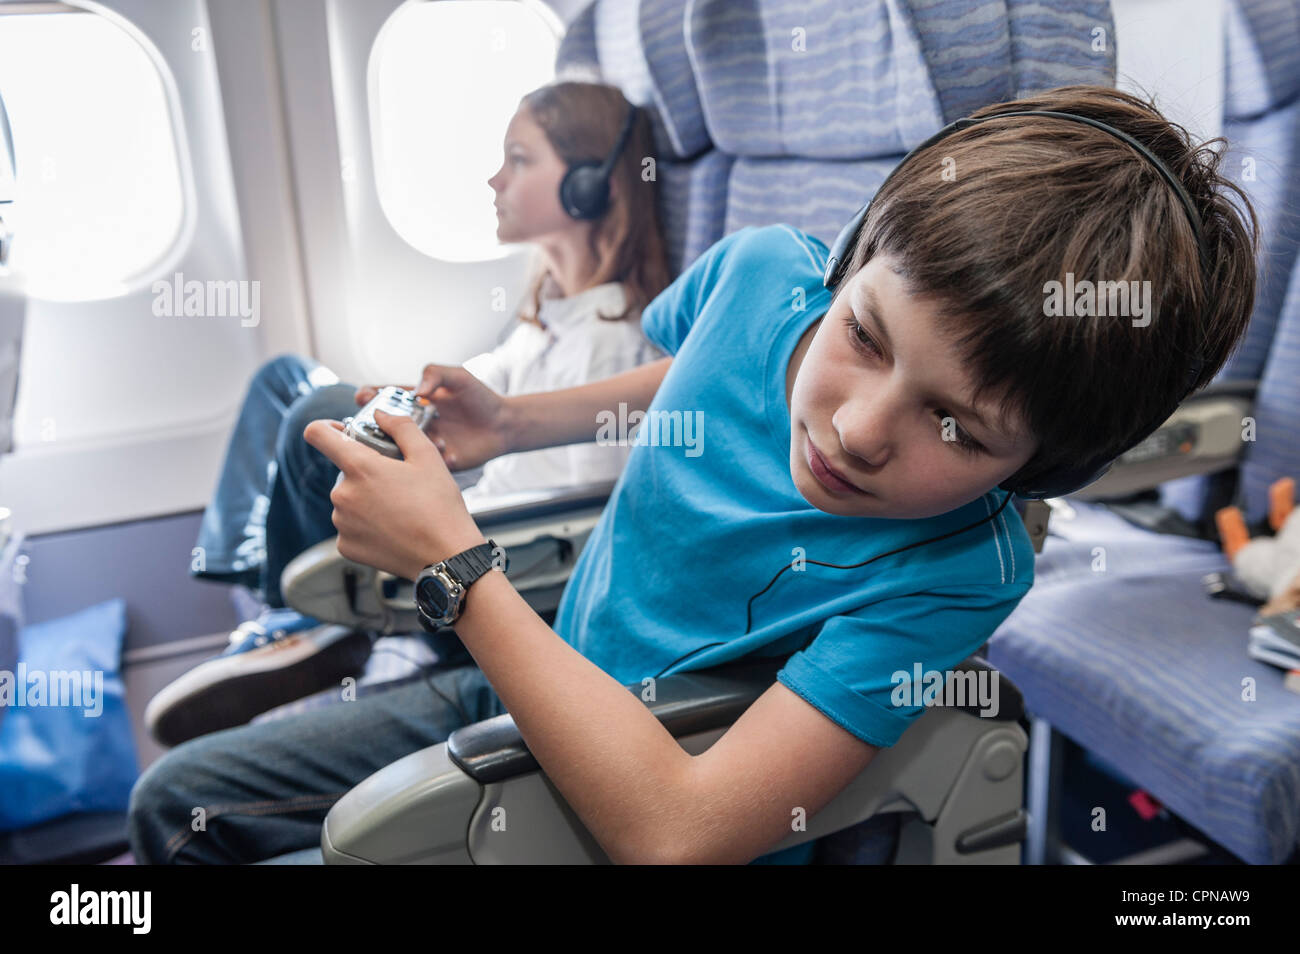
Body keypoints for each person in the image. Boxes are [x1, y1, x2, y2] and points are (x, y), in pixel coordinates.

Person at [128, 86, 1259, 864]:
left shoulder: (962, 571)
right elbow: (692, 371)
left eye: (955, 429)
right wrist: (511, 423)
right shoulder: (767, 275)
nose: (858, 428)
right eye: (863, 337)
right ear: (846, 269)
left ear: (1042, 467)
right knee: (176, 797)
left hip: (632, 763)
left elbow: (679, 834)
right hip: (542, 668)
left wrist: (454, 568)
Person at [145, 82, 669, 744]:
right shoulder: (548, 320)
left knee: (321, 413)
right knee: (288, 381)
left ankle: (302, 620)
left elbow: (585, 528)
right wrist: (407, 409)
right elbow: (477, 405)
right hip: (472, 510)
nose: (494, 177)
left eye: (519, 159)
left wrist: (432, 516)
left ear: (591, 185)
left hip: (486, 573)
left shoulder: (611, 344)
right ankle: (289, 614)